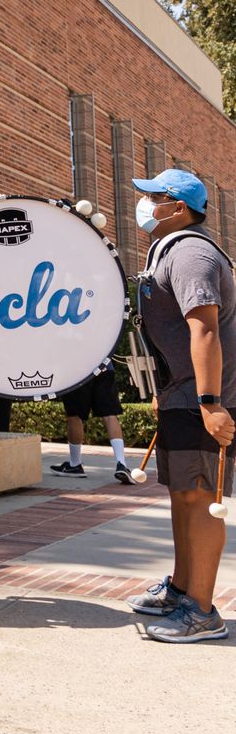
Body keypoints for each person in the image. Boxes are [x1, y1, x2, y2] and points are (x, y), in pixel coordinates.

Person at [124, 169, 233, 643]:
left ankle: (203, 613)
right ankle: (183, 590)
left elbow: (204, 329)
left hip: (201, 397)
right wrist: (164, 391)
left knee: (201, 498)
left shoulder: (191, 253)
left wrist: (211, 403)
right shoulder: (168, 249)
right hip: (180, 394)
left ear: (179, 207)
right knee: (182, 494)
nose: (146, 203)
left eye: (155, 196)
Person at [49, 366, 134, 483]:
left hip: (77, 370)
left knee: (74, 415)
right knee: (110, 415)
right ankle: (121, 464)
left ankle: (75, 465)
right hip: (104, 367)